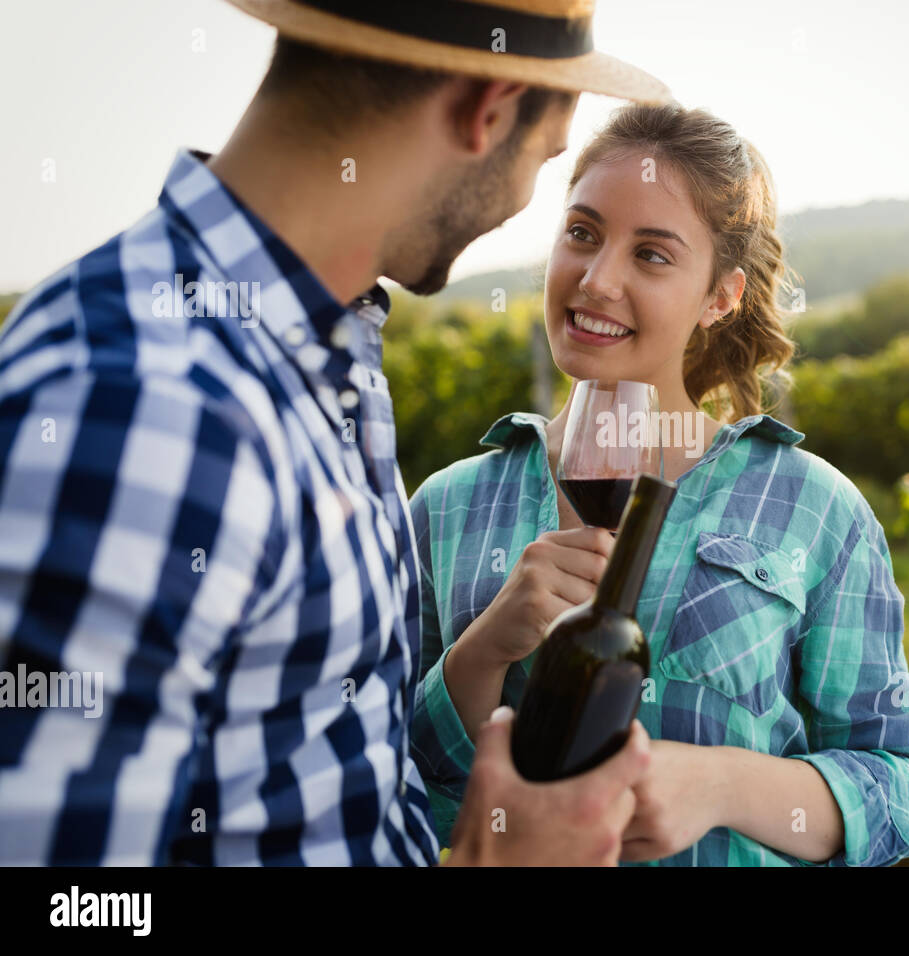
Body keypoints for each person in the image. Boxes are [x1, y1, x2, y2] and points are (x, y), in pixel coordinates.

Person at [0, 0, 673, 866]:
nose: (520, 205)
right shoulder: (149, 404)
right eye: (545, 160)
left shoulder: (310, 347)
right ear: (489, 108)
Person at [409, 102, 909, 865]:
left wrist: (724, 783)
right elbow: (369, 778)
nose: (597, 280)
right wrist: (481, 653)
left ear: (720, 296)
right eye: (583, 234)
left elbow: (902, 788)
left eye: (652, 255)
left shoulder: (815, 511)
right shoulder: (446, 506)